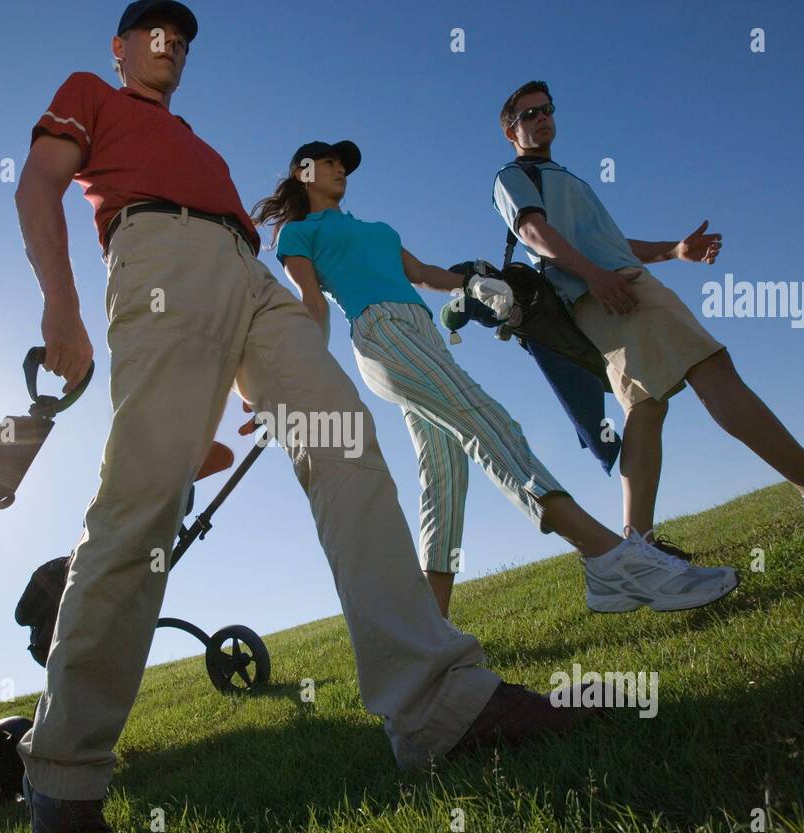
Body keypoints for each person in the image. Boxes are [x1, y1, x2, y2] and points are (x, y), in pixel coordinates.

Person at [12, 2, 585, 833]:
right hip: (160, 261)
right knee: (142, 505)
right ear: (122, 47)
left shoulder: (199, 141)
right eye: (155, 33)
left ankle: (438, 706)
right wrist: (60, 303)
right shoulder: (90, 94)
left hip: (248, 277)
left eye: (184, 39)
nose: (172, 46)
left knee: (345, 441)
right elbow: (38, 186)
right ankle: (62, 774)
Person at [251, 140, 739, 618]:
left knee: (445, 475)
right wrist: (294, 380)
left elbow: (422, 273)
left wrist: (472, 283)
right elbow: (313, 305)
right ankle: (612, 560)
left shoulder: (378, 229)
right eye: (331, 162)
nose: (341, 170)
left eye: (344, 164)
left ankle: (431, 630)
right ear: (304, 172)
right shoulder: (298, 234)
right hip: (380, 334)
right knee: (488, 423)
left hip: (421, 333)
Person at [491, 81, 804, 547]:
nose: (543, 117)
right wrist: (595, 276)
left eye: (547, 109)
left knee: (645, 407)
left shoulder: (564, 177)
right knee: (711, 368)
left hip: (611, 287)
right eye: (529, 115)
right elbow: (533, 232)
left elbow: (615, 244)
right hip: (614, 293)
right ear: (511, 132)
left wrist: (674, 250)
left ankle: (638, 546)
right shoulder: (513, 178)